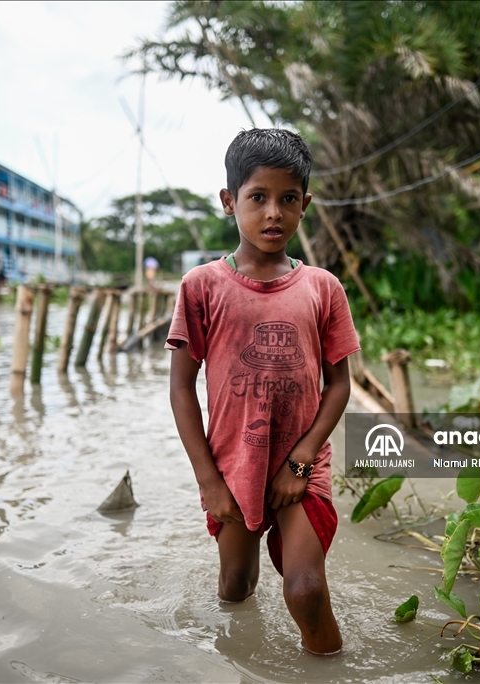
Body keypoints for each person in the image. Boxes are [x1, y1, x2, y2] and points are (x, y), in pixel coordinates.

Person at [167, 129, 359, 656]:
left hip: (300, 467)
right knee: (236, 587)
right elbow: (181, 388)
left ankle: (328, 668)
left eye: (288, 199)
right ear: (229, 202)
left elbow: (340, 384)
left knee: (306, 590)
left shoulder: (322, 288)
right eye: (258, 197)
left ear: (305, 205)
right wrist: (209, 480)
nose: (273, 212)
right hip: (233, 468)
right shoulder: (202, 286)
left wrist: (300, 459)